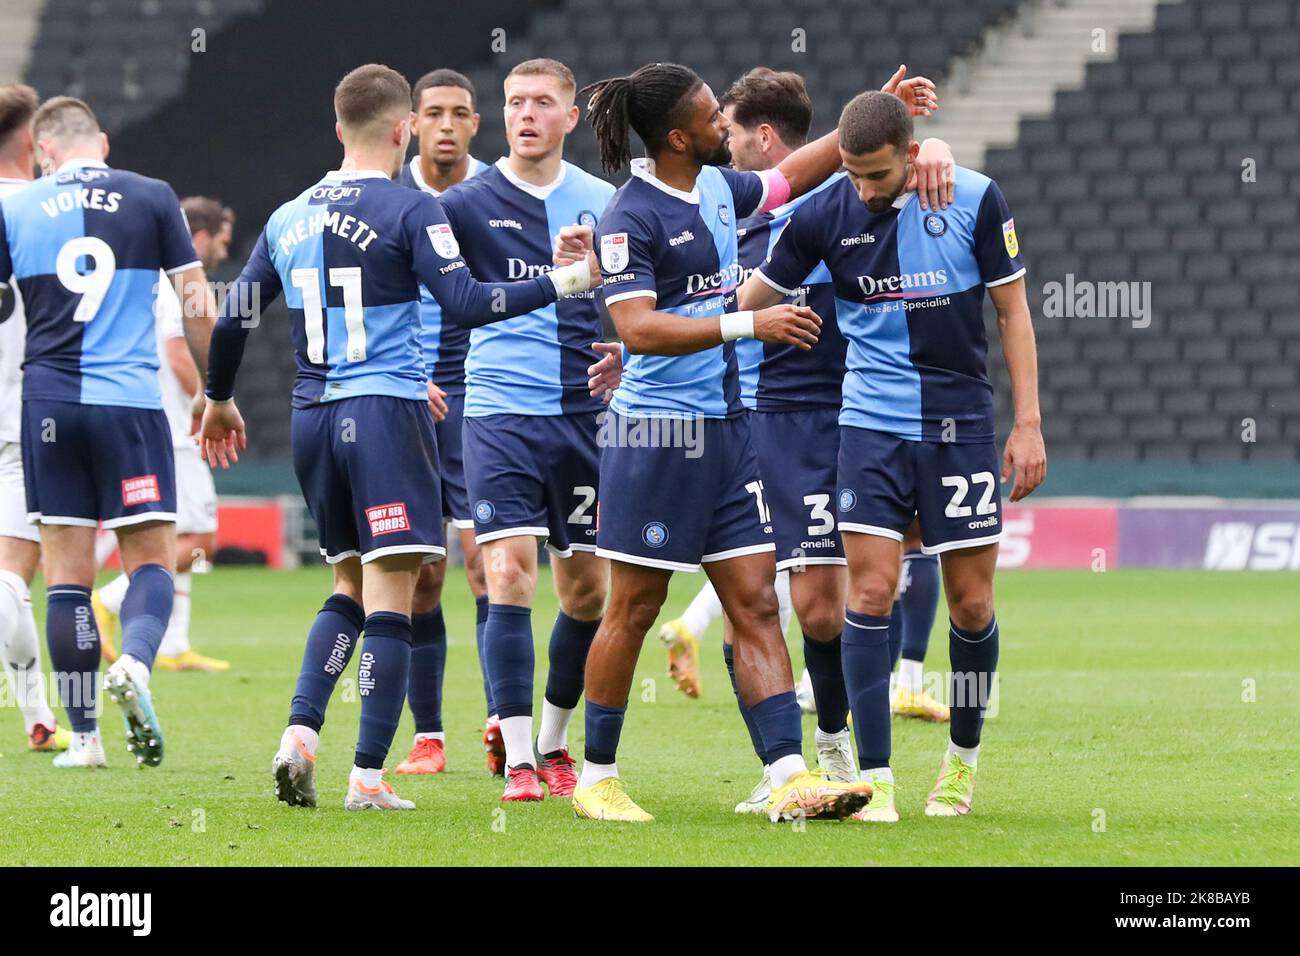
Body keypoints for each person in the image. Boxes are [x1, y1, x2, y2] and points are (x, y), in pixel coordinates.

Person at [198, 64, 598, 810]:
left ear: (336, 125)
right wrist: (565, 281)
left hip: (312, 418)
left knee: (347, 584)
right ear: (402, 130)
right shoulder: (413, 211)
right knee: (394, 594)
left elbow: (231, 318)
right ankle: (367, 777)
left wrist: (218, 398)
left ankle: (300, 733)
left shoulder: (288, 216)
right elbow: (469, 304)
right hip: (387, 413)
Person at [560, 62, 950, 823]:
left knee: (754, 607)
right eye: (712, 117)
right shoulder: (628, 218)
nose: (725, 129)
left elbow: (788, 179)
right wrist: (749, 322)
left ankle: (787, 772)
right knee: (633, 609)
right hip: (657, 434)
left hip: (731, 434)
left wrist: (871, 113)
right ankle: (596, 776)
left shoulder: (713, 188)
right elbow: (637, 329)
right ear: (678, 136)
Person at [743, 90, 1045, 819]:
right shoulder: (824, 213)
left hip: (958, 428)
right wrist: (667, 341)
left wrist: (1028, 422)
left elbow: (1012, 311)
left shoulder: (973, 198)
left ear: (913, 156)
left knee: (972, 605)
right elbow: (750, 299)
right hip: (868, 428)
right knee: (869, 597)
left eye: (876, 175)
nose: (863, 189)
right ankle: (875, 780)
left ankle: (962, 764)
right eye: (851, 173)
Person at [0, 95, 217, 768]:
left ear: (44, 151)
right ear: (102, 143)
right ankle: (141, 669)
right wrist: (219, 393)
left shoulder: (16, 206)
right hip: (130, 404)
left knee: (64, 578)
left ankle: (86, 738)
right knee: (151, 559)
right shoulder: (153, 196)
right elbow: (196, 303)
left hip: (46, 407)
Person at [438, 58, 617, 801]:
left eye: (543, 102)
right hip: (499, 411)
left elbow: (639, 294)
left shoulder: (608, 201)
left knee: (585, 594)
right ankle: (516, 758)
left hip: (584, 417)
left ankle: (552, 738)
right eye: (515, 102)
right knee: (507, 573)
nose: (526, 114)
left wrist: (625, 348)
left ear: (570, 118)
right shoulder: (465, 202)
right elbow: (439, 296)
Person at [391, 67, 491, 777]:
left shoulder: (495, 192)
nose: (447, 124)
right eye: (434, 113)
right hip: (407, 397)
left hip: (480, 396)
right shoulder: (386, 195)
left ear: (474, 123)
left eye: (460, 112)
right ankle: (429, 737)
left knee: (489, 565)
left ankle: (502, 723)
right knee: (423, 575)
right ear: (413, 123)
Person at [94, 196, 234, 673]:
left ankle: (173, 644)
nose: (224, 251)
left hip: (151, 421)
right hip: (178, 428)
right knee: (202, 542)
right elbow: (178, 354)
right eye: (222, 241)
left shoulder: (141, 274)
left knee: (180, 535)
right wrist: (214, 402)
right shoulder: (178, 282)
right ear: (199, 238)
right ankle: (108, 602)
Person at [0, 82, 69, 754]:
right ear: (32, 141)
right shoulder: (51, 212)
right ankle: (38, 714)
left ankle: (37, 713)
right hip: (30, 414)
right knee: (12, 577)